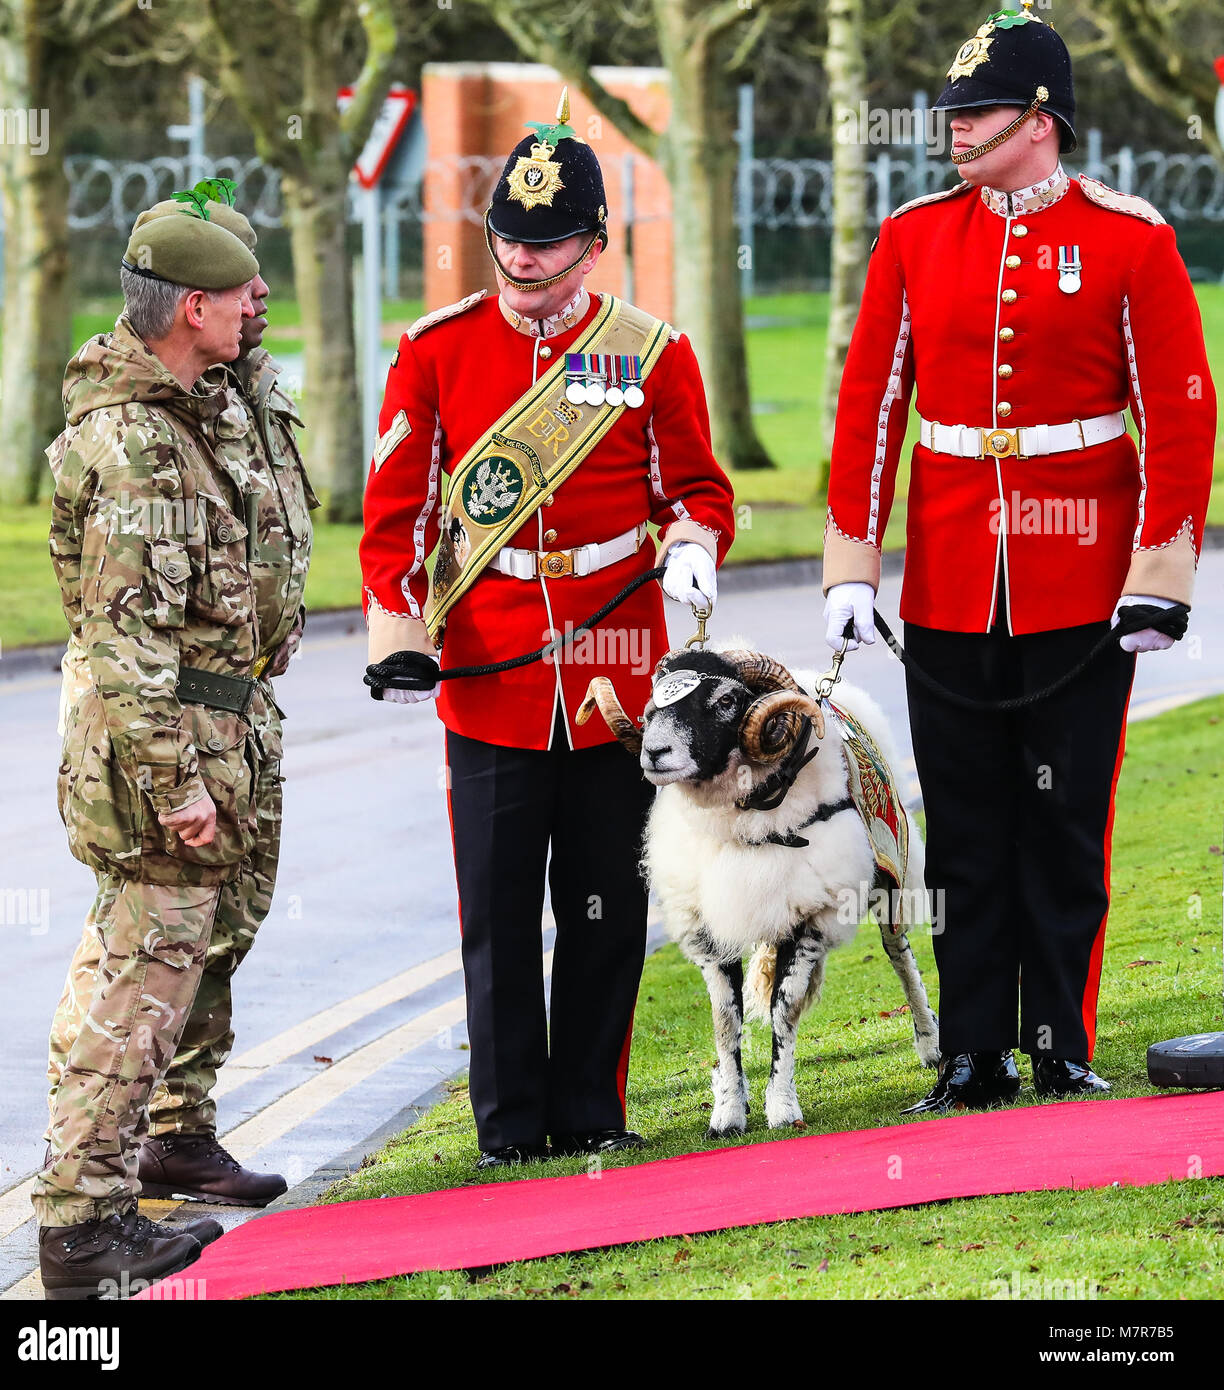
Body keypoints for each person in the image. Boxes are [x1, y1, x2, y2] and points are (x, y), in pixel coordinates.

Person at [822, 3, 1215, 1113]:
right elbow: (871, 406)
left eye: (977, 112)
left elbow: (1179, 417)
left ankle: (1055, 1042)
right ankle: (967, 1051)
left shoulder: (1127, 239)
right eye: (950, 113)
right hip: (950, 577)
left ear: (1040, 119)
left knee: (1062, 820)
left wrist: (1160, 573)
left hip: (1085, 585)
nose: (954, 132)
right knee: (961, 827)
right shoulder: (913, 237)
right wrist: (852, 561)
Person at [361, 90, 735, 1170]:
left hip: (617, 664)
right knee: (496, 912)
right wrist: (400, 625)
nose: (525, 267)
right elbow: (397, 514)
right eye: (509, 244)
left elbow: (696, 488)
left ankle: (590, 1110)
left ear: (595, 244)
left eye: (550, 246)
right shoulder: (435, 351)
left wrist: (692, 544)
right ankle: (507, 1125)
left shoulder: (646, 353)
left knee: (606, 907)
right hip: (490, 664)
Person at [44, 186, 317, 1208]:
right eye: (238, 286)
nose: (260, 296)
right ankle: (81, 1214)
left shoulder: (222, 390)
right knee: (137, 977)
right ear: (187, 308)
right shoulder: (134, 444)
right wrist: (177, 781)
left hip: (232, 713)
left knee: (207, 943)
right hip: (172, 733)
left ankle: (174, 1136)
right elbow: (126, 642)